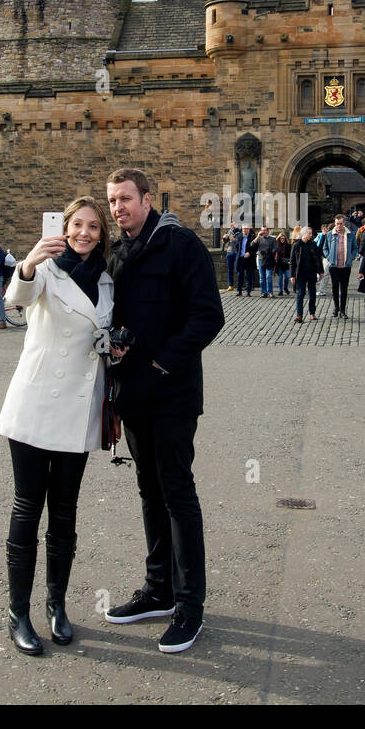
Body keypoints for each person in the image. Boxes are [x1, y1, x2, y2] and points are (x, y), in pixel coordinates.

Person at [104, 168, 224, 653]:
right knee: (149, 491)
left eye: (125, 199)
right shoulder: (118, 250)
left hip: (173, 394)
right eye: (112, 201)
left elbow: (208, 316)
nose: (117, 209)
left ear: (147, 199)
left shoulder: (181, 245)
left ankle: (190, 605)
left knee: (177, 493)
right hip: (133, 395)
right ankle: (159, 589)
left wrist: (161, 362)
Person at [0, 197, 115, 656]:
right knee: (28, 506)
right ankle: (18, 613)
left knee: (64, 513)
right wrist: (25, 266)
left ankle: (56, 606)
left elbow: (104, 330)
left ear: (101, 234)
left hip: (77, 410)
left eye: (92, 227)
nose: (84, 233)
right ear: (64, 229)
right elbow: (15, 301)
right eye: (76, 225)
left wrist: (115, 345)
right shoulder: (44, 267)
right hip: (36, 402)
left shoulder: (107, 279)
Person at [320, 214, 358, 319]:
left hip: (346, 266)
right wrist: (329, 257)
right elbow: (325, 248)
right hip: (334, 265)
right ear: (335, 223)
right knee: (334, 288)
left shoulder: (350, 234)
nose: (339, 226)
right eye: (337, 224)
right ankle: (336, 308)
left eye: (341, 223)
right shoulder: (329, 235)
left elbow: (355, 248)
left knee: (344, 289)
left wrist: (351, 257)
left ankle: (343, 310)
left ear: (344, 223)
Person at [288, 226, 323, 322]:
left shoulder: (313, 244)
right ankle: (299, 315)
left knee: (312, 293)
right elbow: (292, 261)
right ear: (304, 234)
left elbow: (318, 259)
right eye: (310, 233)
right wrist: (292, 275)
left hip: (311, 272)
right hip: (300, 273)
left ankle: (312, 313)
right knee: (300, 293)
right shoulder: (297, 245)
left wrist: (320, 271)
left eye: (311, 233)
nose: (311, 235)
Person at [255, 226, 278, 298]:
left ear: (268, 231)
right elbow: (252, 245)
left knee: (268, 276)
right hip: (261, 259)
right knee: (262, 277)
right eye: (262, 230)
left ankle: (270, 292)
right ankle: (263, 292)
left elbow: (276, 248)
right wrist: (258, 236)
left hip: (269, 260)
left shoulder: (272, 239)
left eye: (265, 230)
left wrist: (271, 251)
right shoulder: (259, 238)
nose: (263, 232)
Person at [234, 224, 256, 295]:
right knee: (240, 275)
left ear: (249, 229)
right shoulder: (239, 236)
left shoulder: (252, 237)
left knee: (248, 275)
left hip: (249, 259)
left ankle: (248, 292)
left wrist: (249, 253)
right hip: (241, 259)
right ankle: (239, 291)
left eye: (246, 229)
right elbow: (236, 246)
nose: (244, 230)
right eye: (243, 229)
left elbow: (255, 248)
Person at [223, 223, 240, 291]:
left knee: (238, 268)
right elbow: (225, 241)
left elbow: (239, 242)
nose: (233, 225)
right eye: (232, 224)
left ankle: (240, 285)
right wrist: (224, 238)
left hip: (237, 253)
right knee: (230, 269)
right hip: (229, 252)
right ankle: (230, 285)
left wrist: (234, 239)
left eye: (235, 224)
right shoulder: (229, 231)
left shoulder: (240, 232)